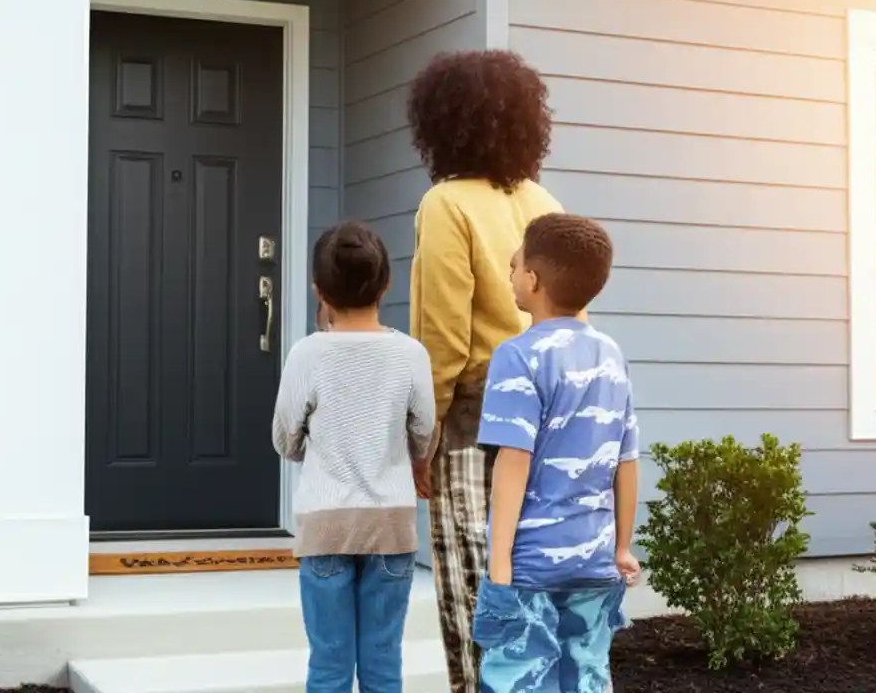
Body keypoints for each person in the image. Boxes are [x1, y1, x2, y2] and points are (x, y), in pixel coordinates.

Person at [406, 49, 562, 692]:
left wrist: (425, 430)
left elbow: (442, 332)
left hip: (476, 426)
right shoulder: (546, 202)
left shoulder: (446, 204)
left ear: (442, 123)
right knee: (534, 592)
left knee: (478, 598)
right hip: (550, 427)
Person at [472, 213, 640, 693]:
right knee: (586, 679)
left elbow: (513, 461)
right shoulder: (611, 354)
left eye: (516, 262)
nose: (510, 268)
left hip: (531, 566)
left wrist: (499, 566)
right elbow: (626, 461)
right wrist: (621, 548)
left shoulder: (518, 355)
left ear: (533, 279)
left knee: (518, 681)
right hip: (594, 562)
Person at [272, 221, 436, 693]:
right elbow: (424, 433)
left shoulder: (307, 354)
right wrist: (411, 460)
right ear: (386, 285)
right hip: (391, 527)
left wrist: (312, 447)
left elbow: (285, 438)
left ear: (317, 289)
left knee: (329, 664)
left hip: (326, 529)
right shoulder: (411, 354)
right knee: (383, 663)